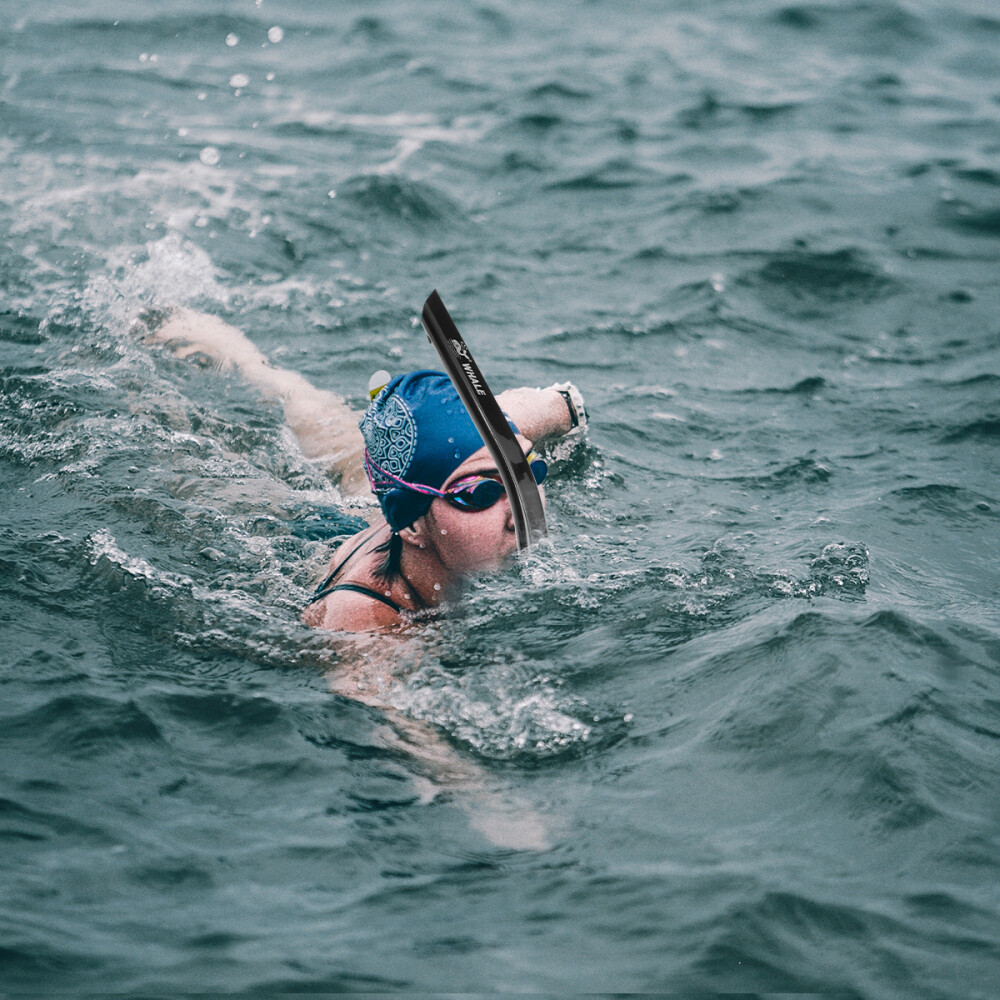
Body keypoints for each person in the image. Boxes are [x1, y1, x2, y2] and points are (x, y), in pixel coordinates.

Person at [146, 308, 587, 633]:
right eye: (480, 495)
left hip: (380, 511)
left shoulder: (469, 464)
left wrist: (565, 409)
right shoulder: (368, 624)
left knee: (311, 409)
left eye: (525, 471)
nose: (520, 508)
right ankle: (155, 364)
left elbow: (543, 409)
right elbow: (400, 735)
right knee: (189, 462)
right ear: (415, 525)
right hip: (306, 541)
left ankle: (237, 354)